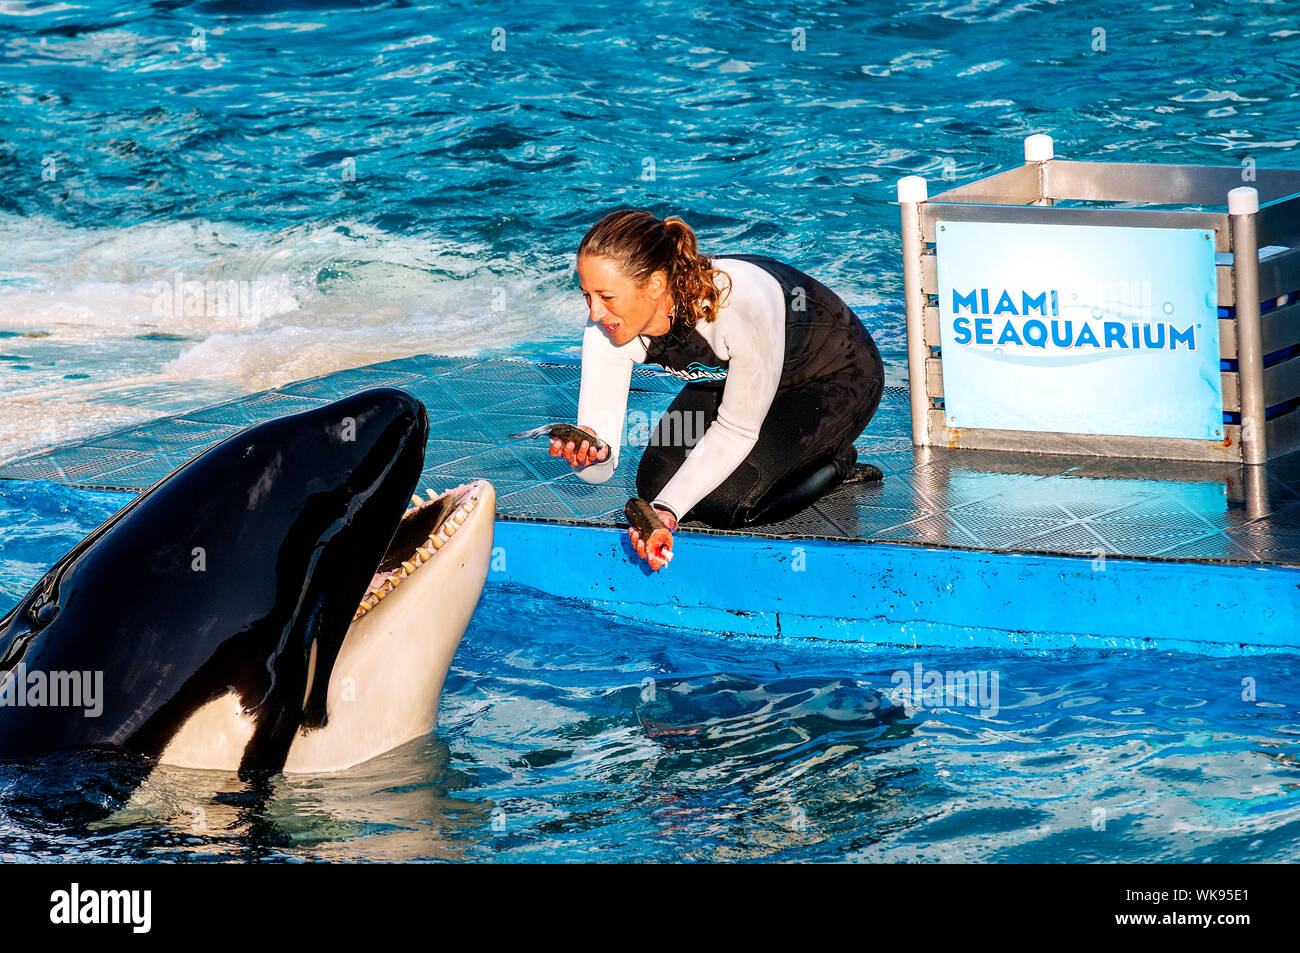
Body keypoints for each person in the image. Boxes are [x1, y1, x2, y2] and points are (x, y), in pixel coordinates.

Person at [549, 209, 884, 569]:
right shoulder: (607, 323)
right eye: (587, 296)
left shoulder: (736, 309)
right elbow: (601, 468)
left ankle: (836, 462)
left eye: (606, 297)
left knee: (730, 503)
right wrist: (593, 455)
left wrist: (667, 513)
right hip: (728, 381)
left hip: (832, 377)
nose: (595, 313)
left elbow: (736, 431)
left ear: (657, 285)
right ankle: (793, 456)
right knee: (654, 486)